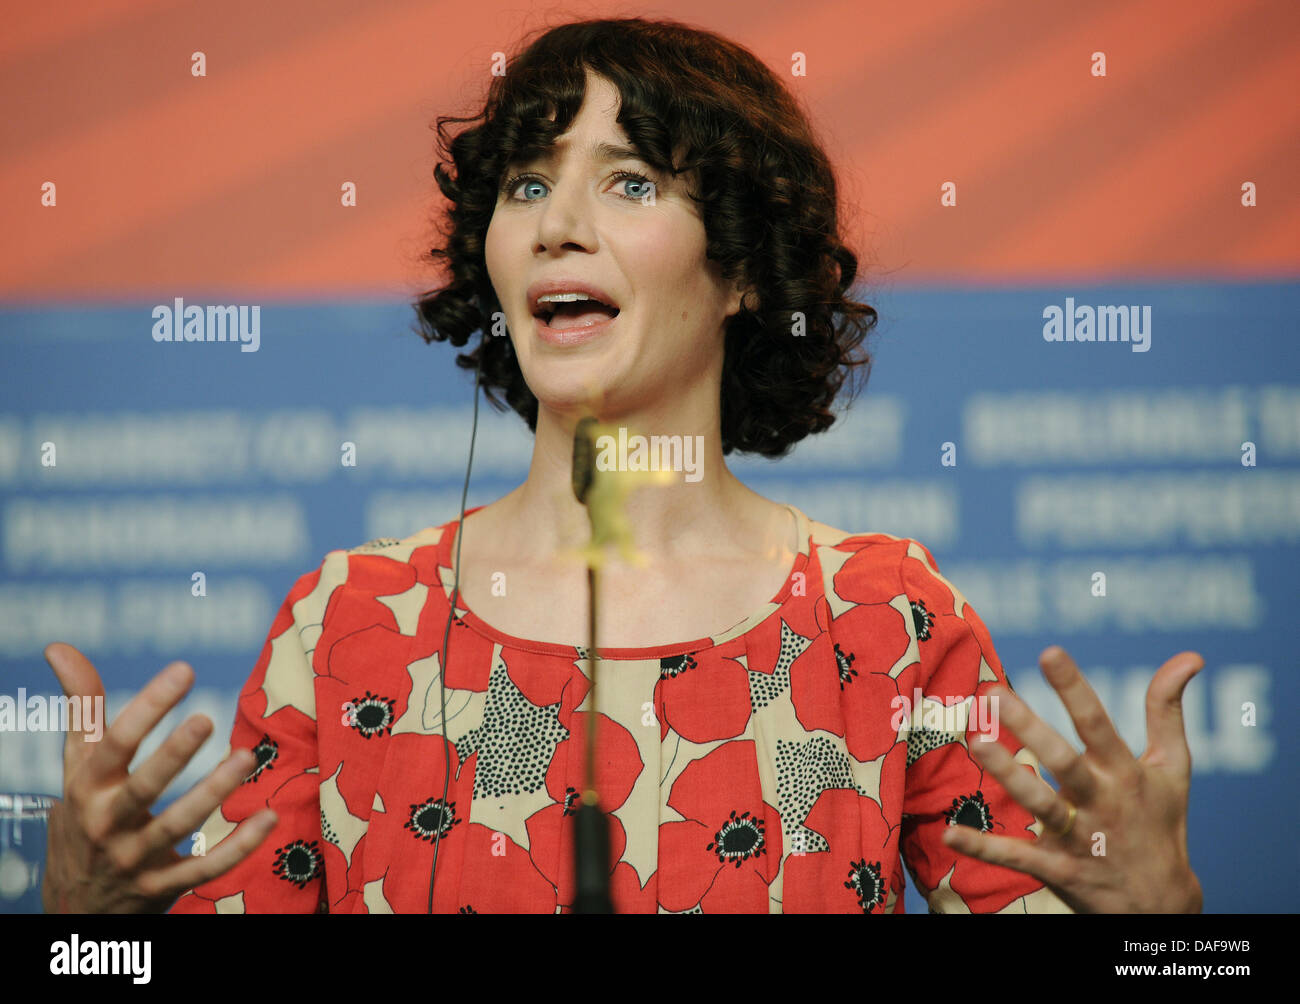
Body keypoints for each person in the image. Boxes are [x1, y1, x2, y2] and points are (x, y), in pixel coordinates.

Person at [41, 17, 1202, 914]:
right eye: (528, 184)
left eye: (630, 181)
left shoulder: (882, 616)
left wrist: (1172, 929)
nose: (557, 224)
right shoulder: (349, 623)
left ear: (741, 268)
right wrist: (78, 926)